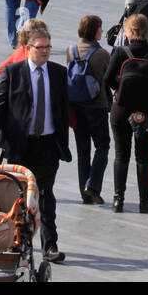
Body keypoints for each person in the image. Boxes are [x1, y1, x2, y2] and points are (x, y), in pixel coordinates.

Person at [0, 19, 70, 263]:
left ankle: (50, 245)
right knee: (18, 195)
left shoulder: (58, 73)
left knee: (45, 194)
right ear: (29, 48)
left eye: (48, 47)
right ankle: (17, 240)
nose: (45, 51)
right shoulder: (13, 73)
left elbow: (63, 108)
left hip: (48, 145)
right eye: (40, 47)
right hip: (21, 145)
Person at [103, 13, 148, 214]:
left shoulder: (121, 52)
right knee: (142, 156)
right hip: (145, 109)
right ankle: (143, 201)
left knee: (121, 154)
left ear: (129, 32)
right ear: (147, 32)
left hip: (121, 108)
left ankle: (118, 200)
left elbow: (106, 79)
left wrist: (119, 89)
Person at [65, 15, 110, 205]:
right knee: (102, 146)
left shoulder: (70, 50)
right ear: (94, 31)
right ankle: (92, 185)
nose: (102, 31)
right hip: (96, 107)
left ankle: (84, 193)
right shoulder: (101, 55)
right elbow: (108, 80)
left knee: (83, 150)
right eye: (100, 28)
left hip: (76, 106)